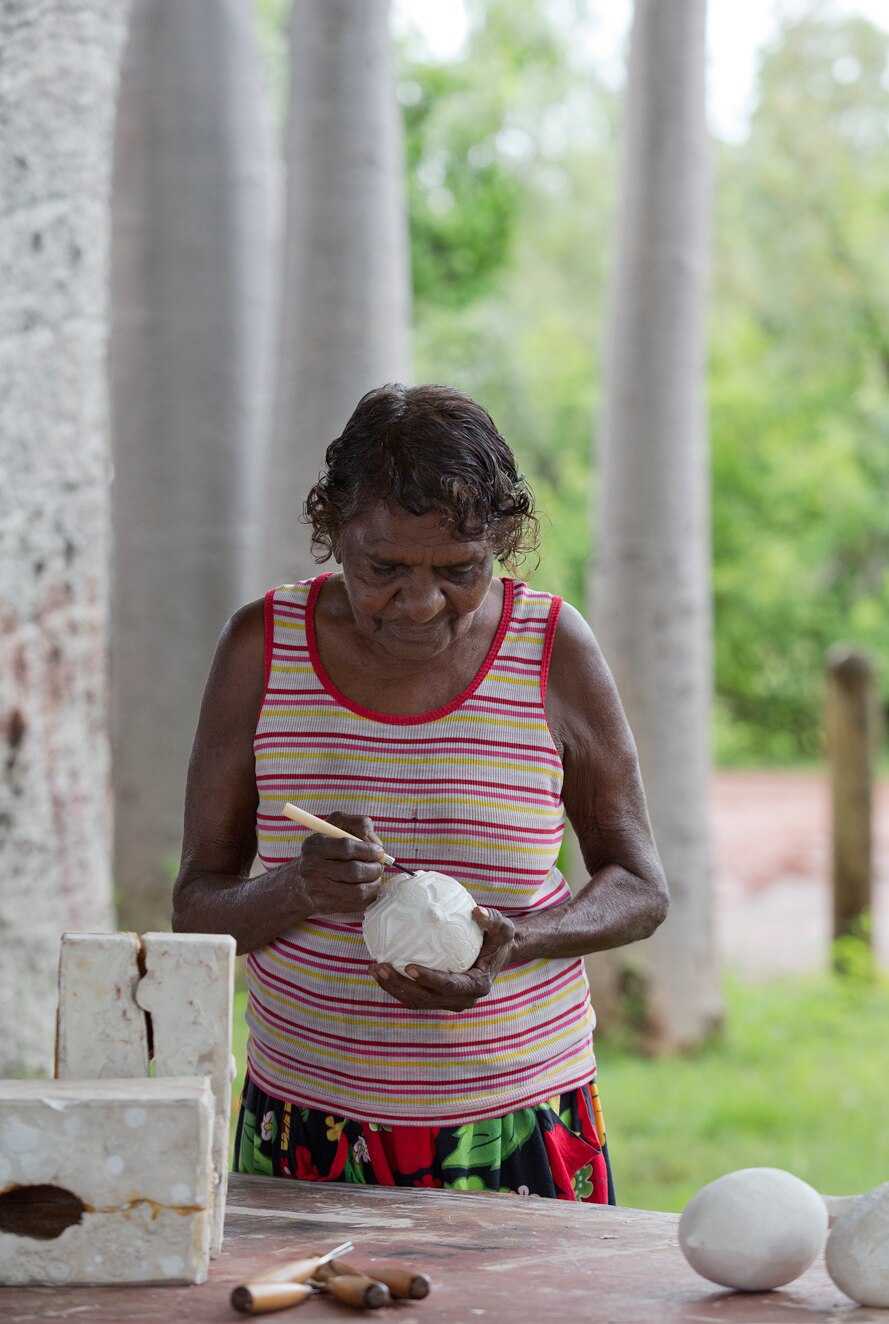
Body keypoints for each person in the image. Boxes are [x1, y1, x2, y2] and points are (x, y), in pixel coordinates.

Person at [173, 382, 668, 1202]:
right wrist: (299, 888)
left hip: (520, 1112)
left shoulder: (551, 648)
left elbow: (641, 888)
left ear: (503, 544)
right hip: (308, 1121)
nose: (420, 602)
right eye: (384, 568)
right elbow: (196, 908)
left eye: (458, 570)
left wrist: (520, 939)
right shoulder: (263, 648)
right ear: (333, 530)